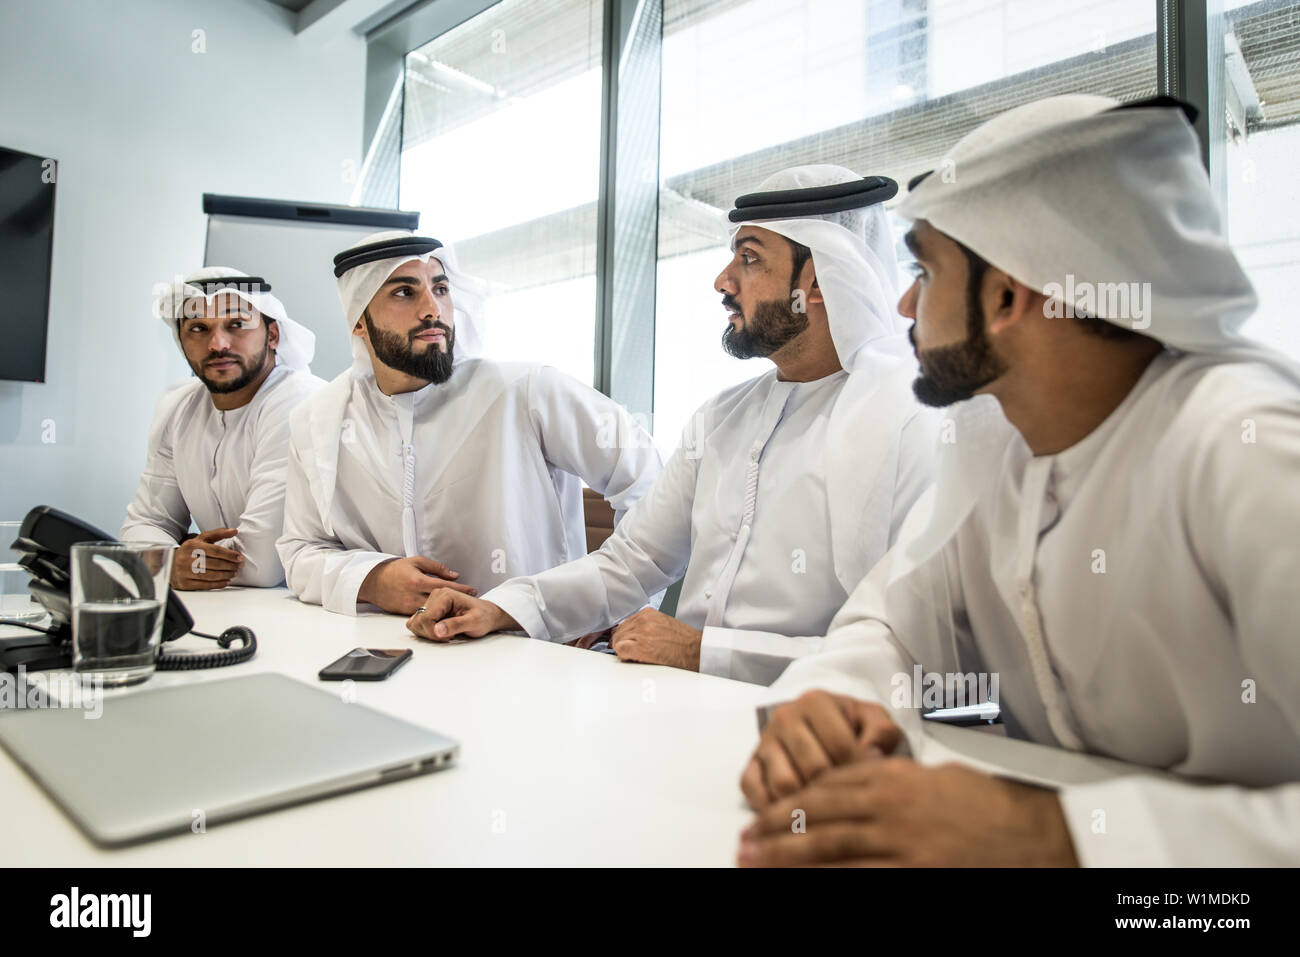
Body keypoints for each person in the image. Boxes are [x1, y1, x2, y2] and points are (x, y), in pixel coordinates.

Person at [736, 95, 1300, 867]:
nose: (904, 303)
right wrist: (832, 701)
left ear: (1007, 296)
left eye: (925, 271)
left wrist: (1057, 836)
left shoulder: (1247, 447)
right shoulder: (995, 442)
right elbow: (892, 625)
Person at [406, 166, 938, 685]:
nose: (722, 281)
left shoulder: (911, 422)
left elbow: (910, 652)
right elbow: (633, 560)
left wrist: (705, 652)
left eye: (749, 260)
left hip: (829, 732)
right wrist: (501, 608)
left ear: (820, 279)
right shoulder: (722, 417)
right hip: (684, 701)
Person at [276, 231, 662, 616]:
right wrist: (373, 580)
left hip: (533, 652)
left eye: (440, 289)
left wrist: (614, 605)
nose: (432, 309)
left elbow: (649, 486)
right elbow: (300, 550)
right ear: (359, 321)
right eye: (404, 292)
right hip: (389, 649)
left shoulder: (524, 392)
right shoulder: (319, 420)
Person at [122, 268, 324, 589]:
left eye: (237, 325)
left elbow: (261, 564)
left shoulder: (300, 401)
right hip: (222, 606)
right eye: (199, 328)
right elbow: (145, 524)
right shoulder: (179, 405)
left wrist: (172, 558)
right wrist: (170, 560)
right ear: (181, 341)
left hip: (305, 608)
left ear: (273, 335)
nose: (218, 344)